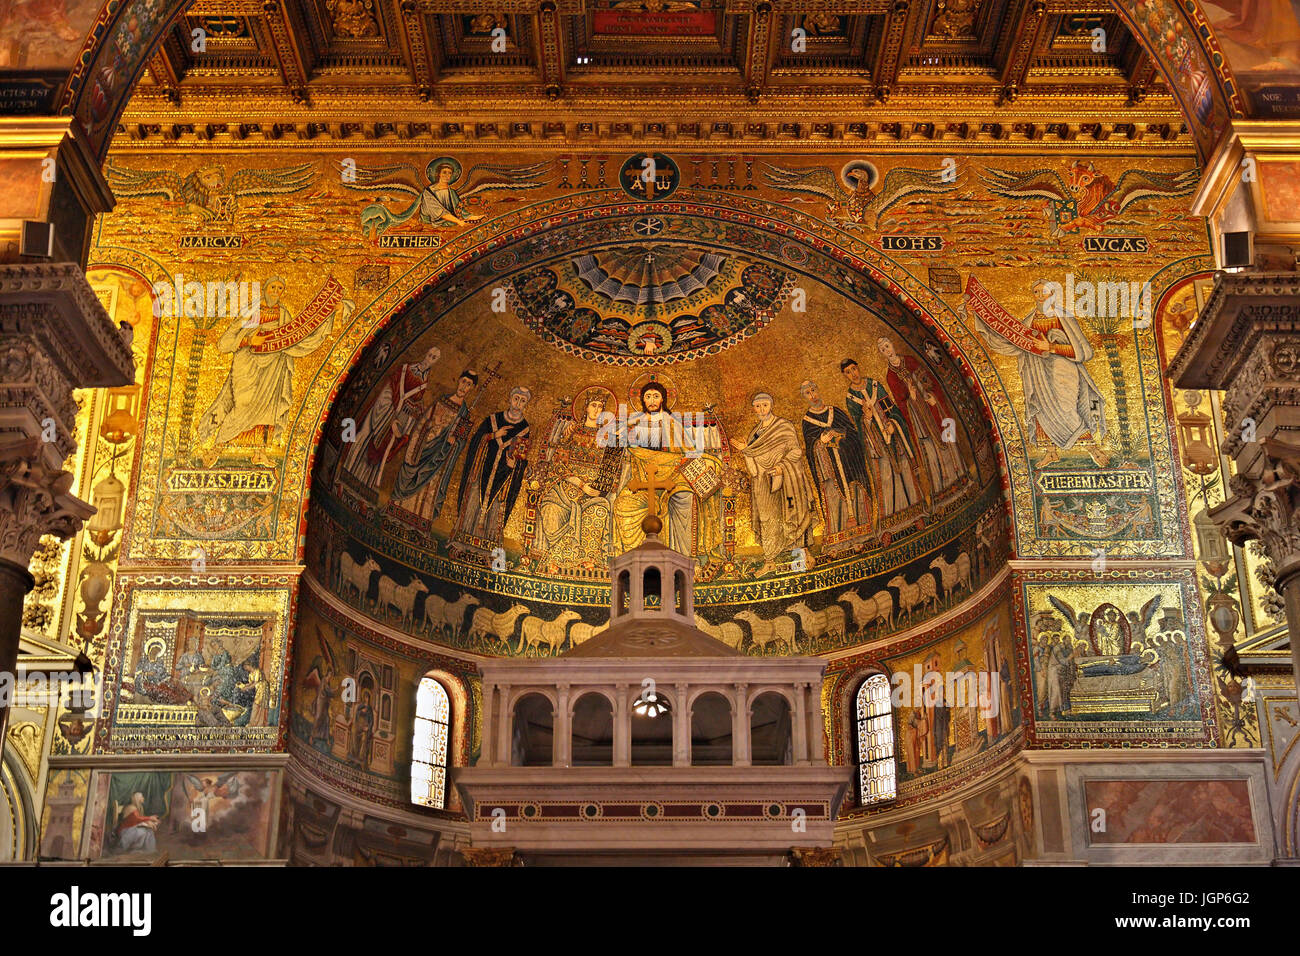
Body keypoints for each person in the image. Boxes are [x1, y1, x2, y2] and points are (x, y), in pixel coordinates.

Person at [197, 277, 349, 466]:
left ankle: (259, 453)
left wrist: (330, 315)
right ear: (264, 289)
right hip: (248, 363)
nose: (276, 291)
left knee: (269, 407)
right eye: (272, 287)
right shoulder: (252, 311)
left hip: (274, 365)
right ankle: (216, 448)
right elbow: (225, 341)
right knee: (243, 404)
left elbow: (298, 337)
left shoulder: (283, 314)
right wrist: (248, 341)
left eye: (279, 288)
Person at [977, 278, 1110, 467]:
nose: (1040, 296)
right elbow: (1016, 344)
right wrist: (986, 324)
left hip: (1062, 370)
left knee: (1066, 408)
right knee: (1040, 407)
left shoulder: (1064, 317)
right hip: (1036, 372)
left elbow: (1085, 352)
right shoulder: (1029, 320)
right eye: (1036, 292)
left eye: (1044, 291)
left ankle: (1093, 448)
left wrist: (1052, 347)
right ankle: (1051, 452)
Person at [534, 388, 623, 568]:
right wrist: (582, 485)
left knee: (600, 509)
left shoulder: (607, 437)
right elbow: (558, 464)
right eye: (593, 405)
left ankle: (587, 559)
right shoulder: (572, 432)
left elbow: (612, 471)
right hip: (565, 490)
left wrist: (600, 488)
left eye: (601, 406)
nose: (597, 410)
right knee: (551, 510)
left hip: (593, 494)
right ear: (586, 408)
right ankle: (557, 559)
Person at [730, 391, 817, 571]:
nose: (762, 409)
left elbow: (796, 452)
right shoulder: (754, 435)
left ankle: (801, 556)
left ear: (771, 405)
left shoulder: (783, 426)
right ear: (753, 408)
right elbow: (753, 468)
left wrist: (780, 466)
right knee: (768, 518)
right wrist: (746, 451)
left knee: (791, 514)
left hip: (786, 479)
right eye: (758, 406)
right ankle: (770, 561)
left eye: (765, 405)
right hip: (763, 483)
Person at [344, 344, 441, 489]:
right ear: (425, 354)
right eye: (429, 355)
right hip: (384, 408)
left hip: (398, 419)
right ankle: (347, 473)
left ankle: (364, 485)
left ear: (436, 362)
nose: (430, 359)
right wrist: (390, 417)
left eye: (434, 358)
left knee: (383, 449)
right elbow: (389, 388)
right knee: (364, 434)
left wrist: (402, 425)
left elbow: (413, 406)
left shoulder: (424, 384)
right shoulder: (405, 369)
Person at [877, 337, 963, 497]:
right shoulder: (890, 375)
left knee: (946, 431)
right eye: (883, 350)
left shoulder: (909, 360)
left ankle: (960, 473)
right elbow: (900, 399)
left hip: (930, 404)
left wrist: (929, 394)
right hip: (917, 415)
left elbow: (926, 378)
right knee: (929, 445)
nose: (887, 350)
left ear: (892, 344)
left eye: (887, 346)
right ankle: (942, 485)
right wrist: (910, 395)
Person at [389, 370, 478, 519]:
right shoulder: (441, 401)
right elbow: (422, 422)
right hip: (423, 447)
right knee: (411, 473)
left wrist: (454, 442)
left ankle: (419, 521)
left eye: (468, 384)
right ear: (458, 381)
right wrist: (432, 425)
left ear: (472, 388)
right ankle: (396, 512)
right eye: (463, 381)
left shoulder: (464, 413)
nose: (464, 386)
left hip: (439, 458)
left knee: (429, 490)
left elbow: (461, 442)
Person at [840, 358, 919, 518]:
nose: (853, 374)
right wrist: (867, 419)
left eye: (854, 369)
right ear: (845, 375)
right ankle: (893, 517)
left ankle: (917, 511)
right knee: (886, 477)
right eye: (848, 372)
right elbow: (858, 425)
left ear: (858, 368)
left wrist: (893, 423)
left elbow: (892, 408)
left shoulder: (875, 386)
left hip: (893, 436)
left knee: (904, 469)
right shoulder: (851, 399)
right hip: (876, 445)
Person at [455, 387, 533, 543]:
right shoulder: (492, 420)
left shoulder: (525, 429)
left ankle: (488, 545)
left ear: (526, 405)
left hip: (503, 479)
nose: (518, 403)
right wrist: (493, 436)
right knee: (474, 501)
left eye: (523, 401)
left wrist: (515, 465)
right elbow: (475, 442)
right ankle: (463, 539)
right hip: (482, 471)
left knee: (496, 507)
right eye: (516, 398)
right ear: (510, 398)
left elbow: (522, 457)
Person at [800, 379, 871, 535]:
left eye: (813, 390)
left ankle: (864, 529)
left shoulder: (836, 412)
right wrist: (820, 443)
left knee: (856, 494)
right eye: (807, 393)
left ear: (818, 390)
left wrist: (840, 435)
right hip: (829, 474)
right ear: (804, 397)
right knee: (834, 499)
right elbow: (810, 453)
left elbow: (853, 434)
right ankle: (838, 535)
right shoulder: (807, 422)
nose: (812, 396)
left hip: (848, 466)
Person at [420, 162, 484, 227]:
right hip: (434, 221)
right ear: (439, 174)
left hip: (451, 220)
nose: (447, 175)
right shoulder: (428, 192)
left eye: (450, 173)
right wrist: (458, 221)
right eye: (444, 172)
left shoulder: (452, 192)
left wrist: (472, 217)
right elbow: (438, 211)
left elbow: (459, 209)